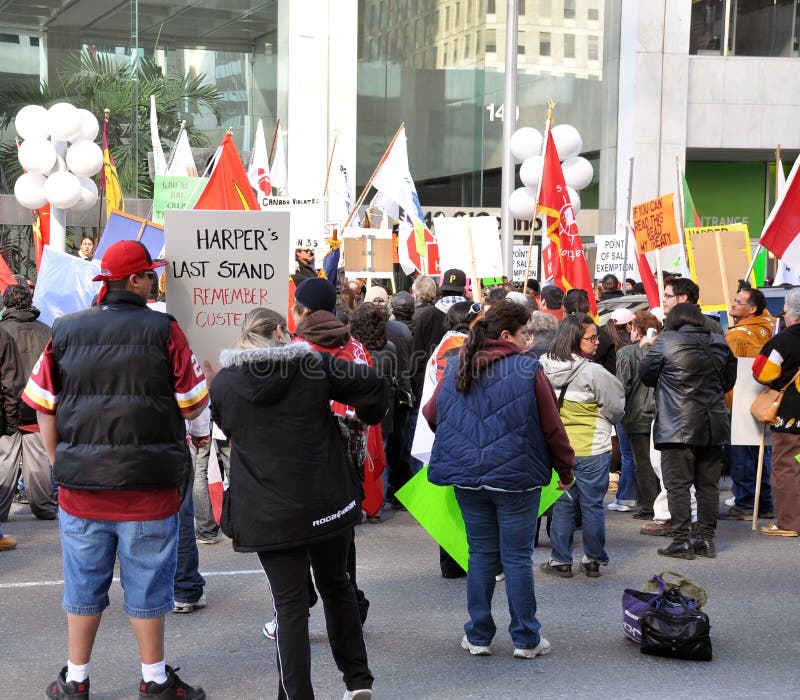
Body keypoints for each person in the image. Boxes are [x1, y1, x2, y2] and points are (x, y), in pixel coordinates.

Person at [23, 240, 209, 700]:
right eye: (150, 274)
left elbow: (43, 404)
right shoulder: (165, 330)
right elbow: (193, 406)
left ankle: (76, 679)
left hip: (81, 490)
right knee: (147, 587)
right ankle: (156, 681)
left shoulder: (64, 330)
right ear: (134, 281)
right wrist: (207, 375)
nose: (155, 281)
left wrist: (56, 458)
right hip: (150, 490)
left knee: (83, 587)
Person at [208, 307, 389, 700]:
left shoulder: (224, 383)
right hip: (325, 498)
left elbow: (224, 426)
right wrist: (365, 416)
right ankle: (358, 680)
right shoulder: (313, 365)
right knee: (337, 584)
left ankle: (297, 695)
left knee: (290, 608)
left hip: (267, 510)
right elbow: (373, 385)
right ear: (278, 332)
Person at [424, 300, 574, 658]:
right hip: (516, 477)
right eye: (526, 333)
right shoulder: (527, 369)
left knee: (480, 556)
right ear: (507, 335)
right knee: (518, 558)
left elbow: (432, 414)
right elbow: (553, 427)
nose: (530, 339)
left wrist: (463, 440)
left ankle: (478, 635)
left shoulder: (458, 363)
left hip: (467, 477)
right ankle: (526, 638)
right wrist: (565, 470)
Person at [291, 277, 373, 623]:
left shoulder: (296, 349)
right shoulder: (354, 345)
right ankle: (350, 600)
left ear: (305, 310)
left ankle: (307, 599)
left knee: (302, 530)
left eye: (297, 305)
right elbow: (370, 396)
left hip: (309, 450)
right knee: (341, 532)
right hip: (348, 451)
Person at [640, 302, 737, 559]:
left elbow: (647, 376)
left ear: (673, 320)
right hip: (714, 424)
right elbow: (729, 382)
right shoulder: (720, 342)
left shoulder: (666, 341)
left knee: (678, 485)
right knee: (708, 485)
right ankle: (705, 540)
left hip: (677, 423)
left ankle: (681, 540)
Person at [539, 314, 624, 578]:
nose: (598, 342)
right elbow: (617, 407)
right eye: (592, 337)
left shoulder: (541, 366)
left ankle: (560, 561)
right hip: (592, 448)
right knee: (592, 505)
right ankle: (593, 559)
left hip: (556, 449)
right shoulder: (594, 372)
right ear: (576, 340)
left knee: (563, 505)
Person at [0, 284, 56, 521]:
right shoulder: (47, 332)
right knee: (39, 461)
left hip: (5, 407)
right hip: (38, 404)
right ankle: (43, 507)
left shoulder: (2, 330)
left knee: (5, 459)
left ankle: (1, 510)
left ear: (6, 304)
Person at [719, 286, 775, 520]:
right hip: (763, 400)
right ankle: (764, 503)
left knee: (742, 453)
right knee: (761, 451)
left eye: (738, 302)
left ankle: (745, 503)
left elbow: (726, 371)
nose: (732, 304)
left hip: (738, 401)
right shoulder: (769, 329)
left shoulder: (737, 335)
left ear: (752, 309)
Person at [752, 287, 800, 537]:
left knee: (787, 467)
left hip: (791, 417)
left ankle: (788, 523)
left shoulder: (783, 341)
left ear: (790, 313)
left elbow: (762, 372)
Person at [616, 311, 662, 522]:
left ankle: (648, 505)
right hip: (662, 413)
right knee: (659, 463)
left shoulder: (626, 354)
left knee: (642, 462)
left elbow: (621, 386)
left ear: (636, 330)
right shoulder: (664, 351)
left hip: (636, 414)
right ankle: (657, 503)